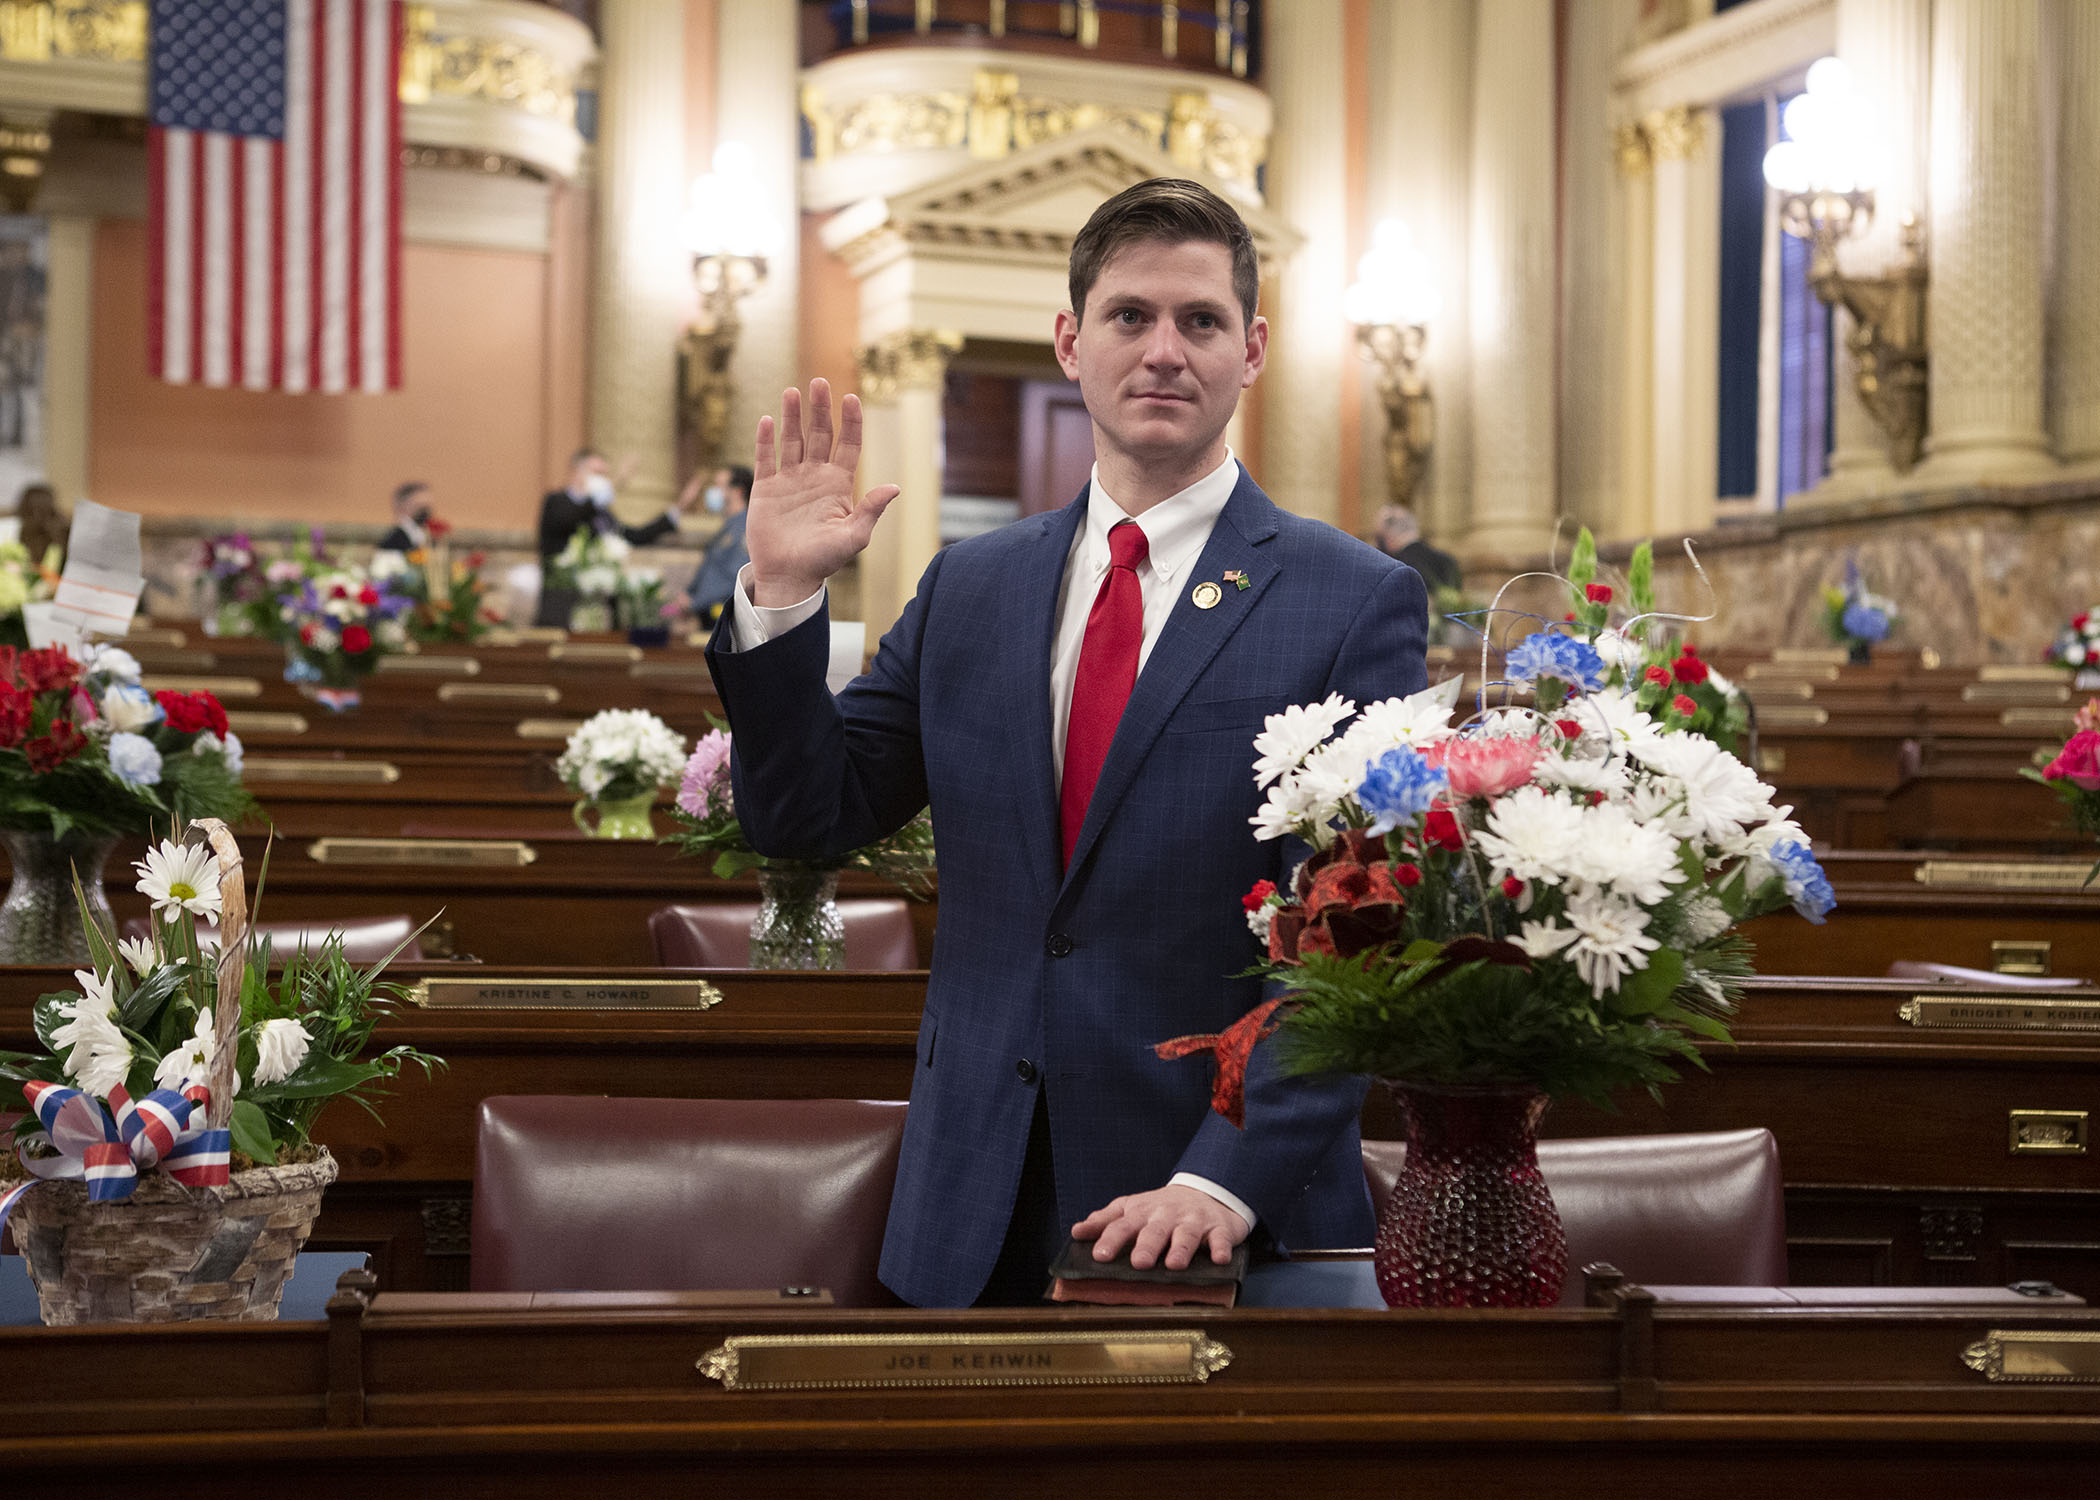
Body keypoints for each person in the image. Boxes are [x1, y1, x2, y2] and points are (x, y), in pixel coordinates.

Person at [706, 178, 1428, 1309]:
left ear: (1251, 351)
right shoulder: (971, 585)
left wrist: (1221, 1180)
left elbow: (1351, 940)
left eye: (1201, 321)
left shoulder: (1352, 599)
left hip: (1220, 1217)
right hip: (973, 1204)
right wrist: (785, 596)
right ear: (1070, 342)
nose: (1163, 351)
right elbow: (805, 819)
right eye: (1129, 316)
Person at [534, 449, 693, 627]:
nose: (602, 479)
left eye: (605, 475)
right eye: (597, 473)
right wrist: (613, 485)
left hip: (602, 607)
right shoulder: (555, 501)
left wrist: (678, 508)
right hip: (562, 602)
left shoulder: (603, 513)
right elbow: (568, 520)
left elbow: (633, 536)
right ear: (576, 471)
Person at [684, 464, 753, 624]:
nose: (712, 492)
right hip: (707, 611)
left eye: (719, 486)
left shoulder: (743, 528)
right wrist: (689, 593)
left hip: (720, 614)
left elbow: (736, 577)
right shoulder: (729, 526)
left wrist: (695, 602)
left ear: (737, 492)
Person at [1374, 505, 1462, 596]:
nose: (1376, 545)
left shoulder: (1395, 569)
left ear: (1389, 536)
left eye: (1379, 538)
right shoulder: (1448, 561)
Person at [377, 481, 434, 554]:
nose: (425, 512)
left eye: (427, 507)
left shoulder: (420, 536)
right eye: (419, 506)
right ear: (402, 507)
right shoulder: (394, 541)